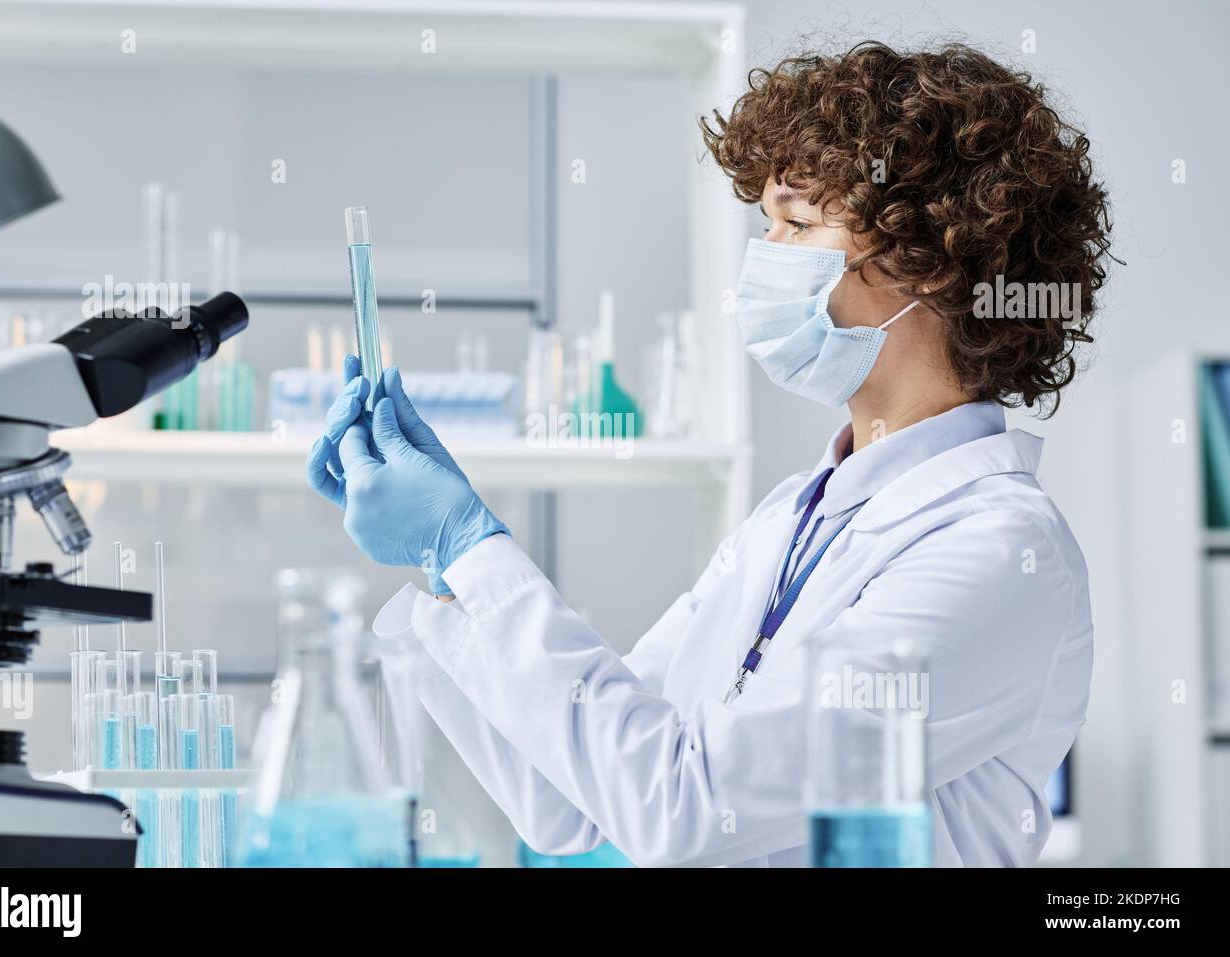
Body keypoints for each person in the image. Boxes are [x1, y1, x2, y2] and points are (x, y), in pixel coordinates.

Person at [308, 41, 1114, 867]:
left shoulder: (1001, 551)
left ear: (936, 265)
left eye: (797, 224)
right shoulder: (795, 517)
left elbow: (688, 810)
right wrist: (449, 574)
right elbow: (574, 803)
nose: (761, 256)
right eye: (766, 222)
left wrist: (469, 542)